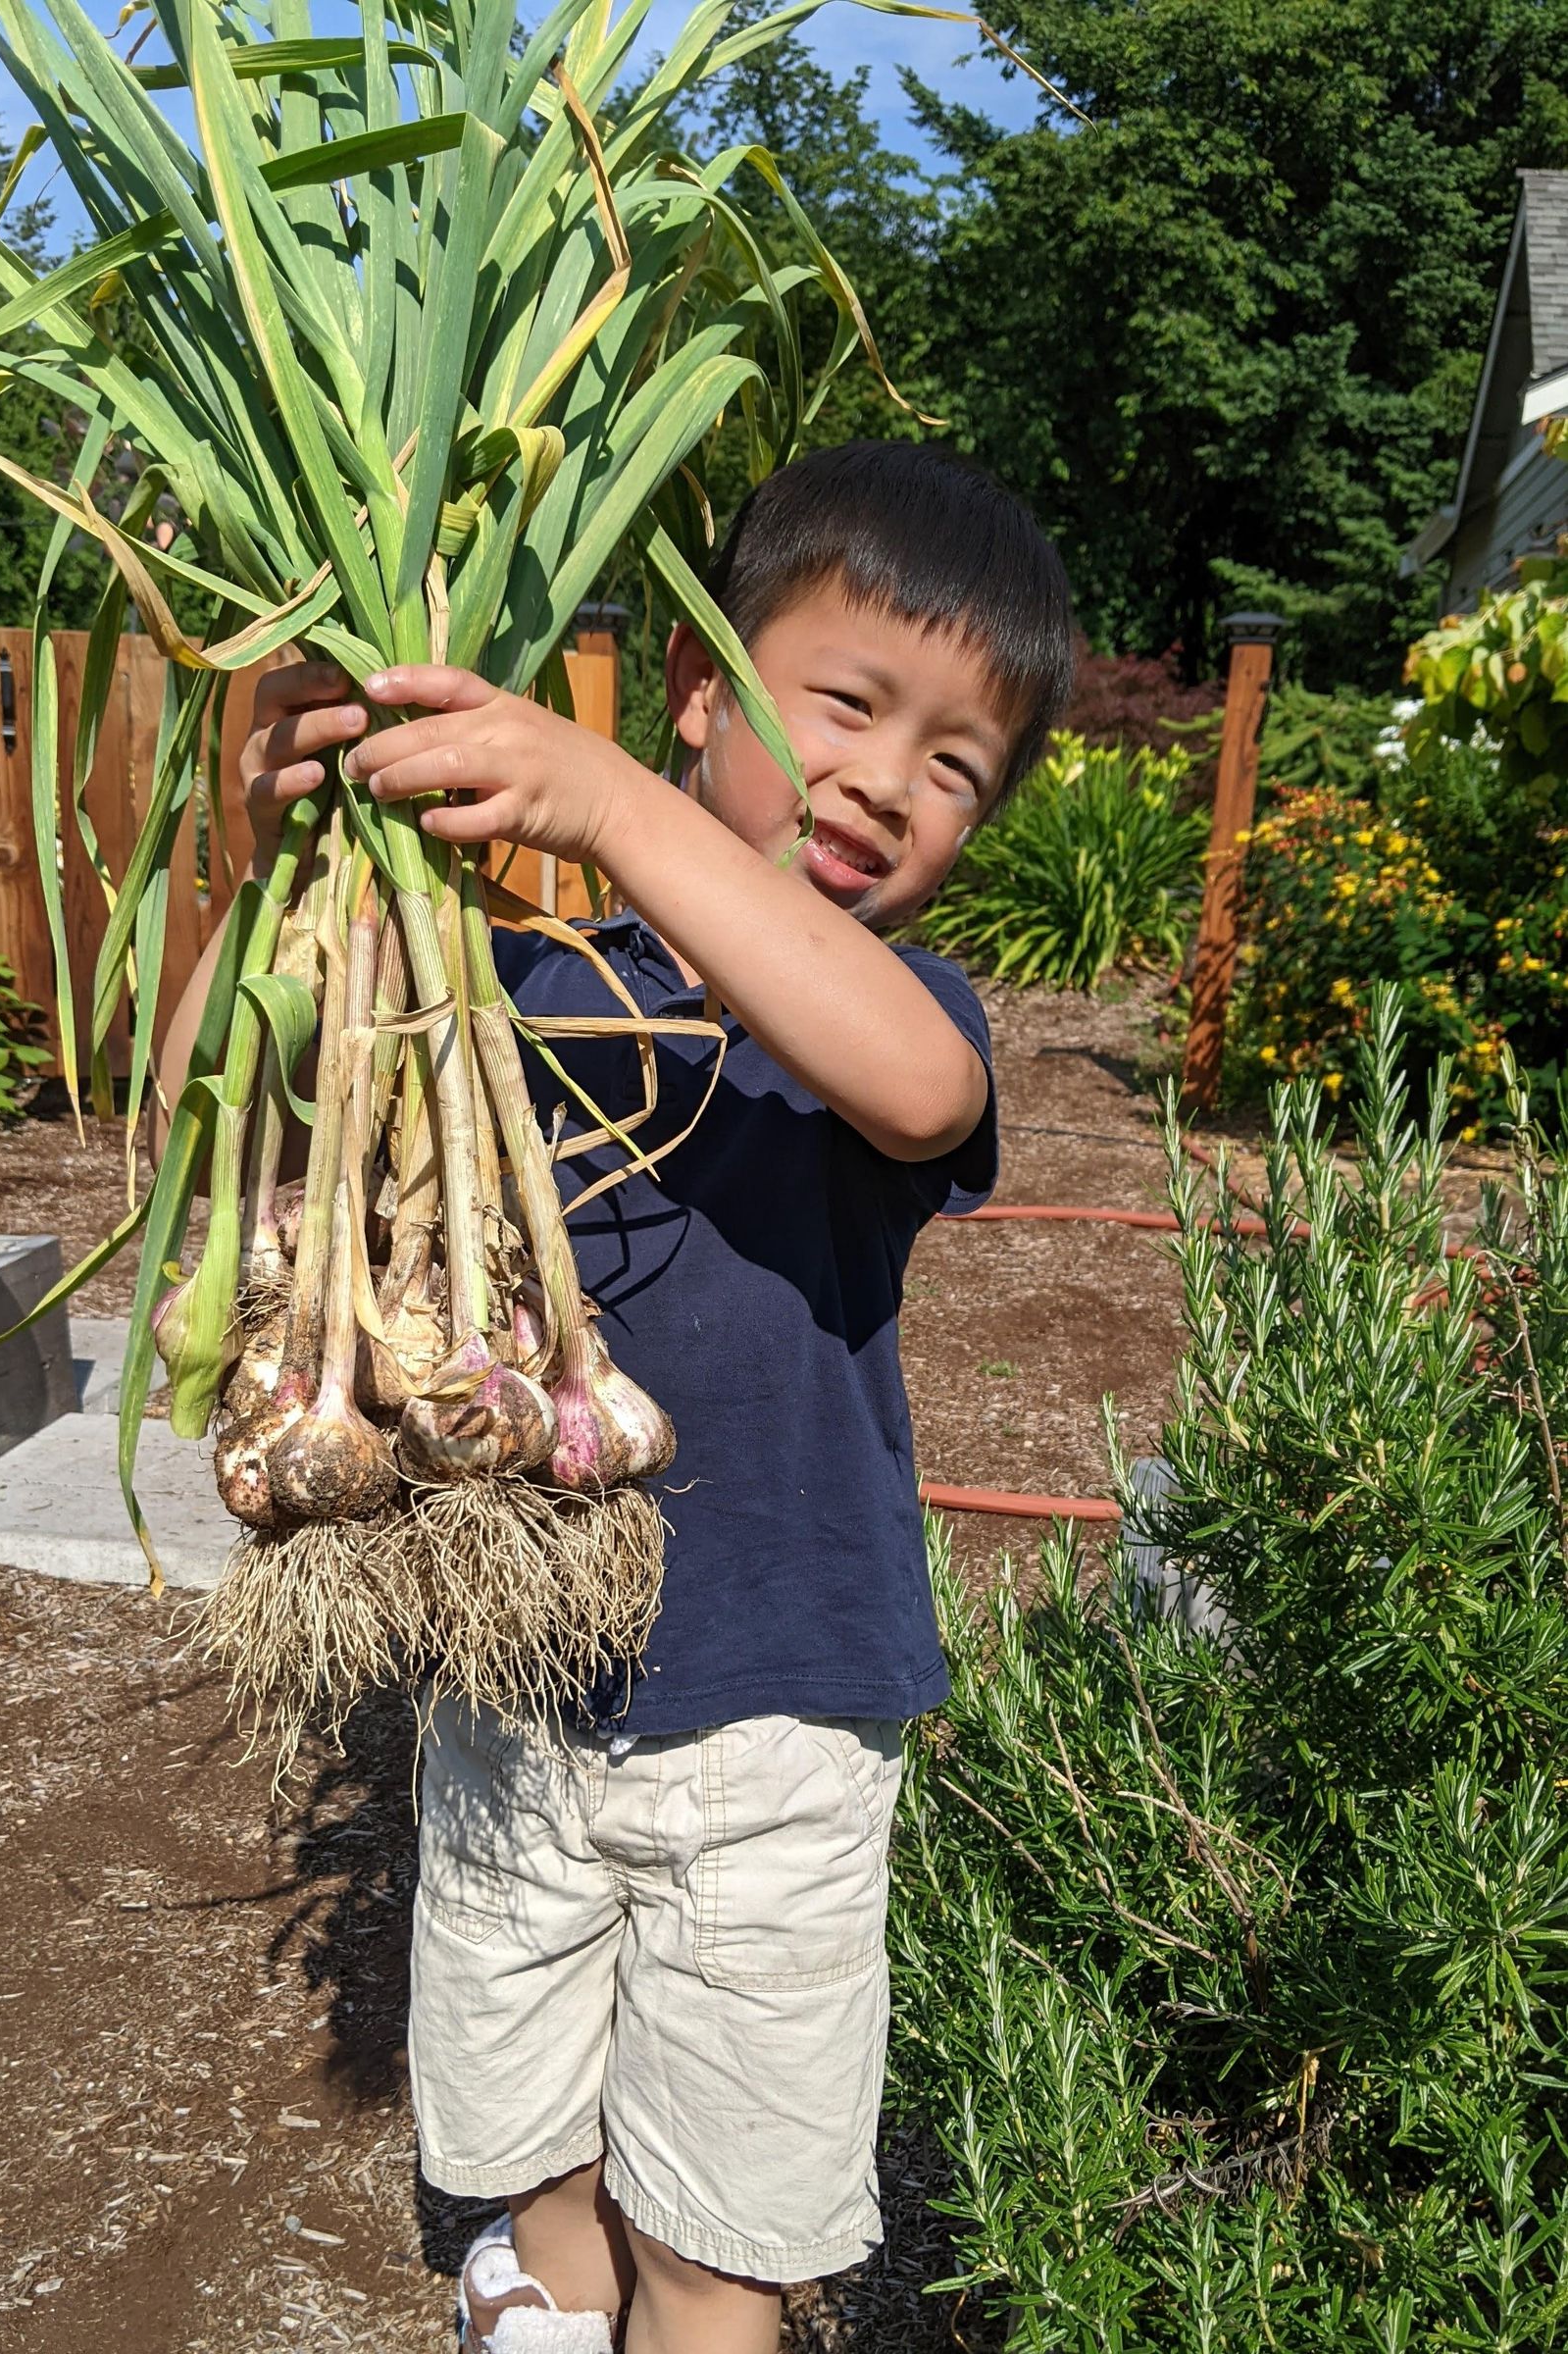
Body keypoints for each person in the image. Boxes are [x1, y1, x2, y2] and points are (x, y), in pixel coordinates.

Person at [162, 439, 1072, 2354]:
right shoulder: (506, 983)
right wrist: (274, 853)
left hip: (777, 1743)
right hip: (513, 1705)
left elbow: (910, 1087)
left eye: (954, 766)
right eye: (840, 702)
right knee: (530, 2161)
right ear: (695, 686)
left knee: (717, 2249)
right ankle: (540, 2303)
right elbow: (235, 1100)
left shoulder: (891, 1019)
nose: (889, 781)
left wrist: (608, 809)